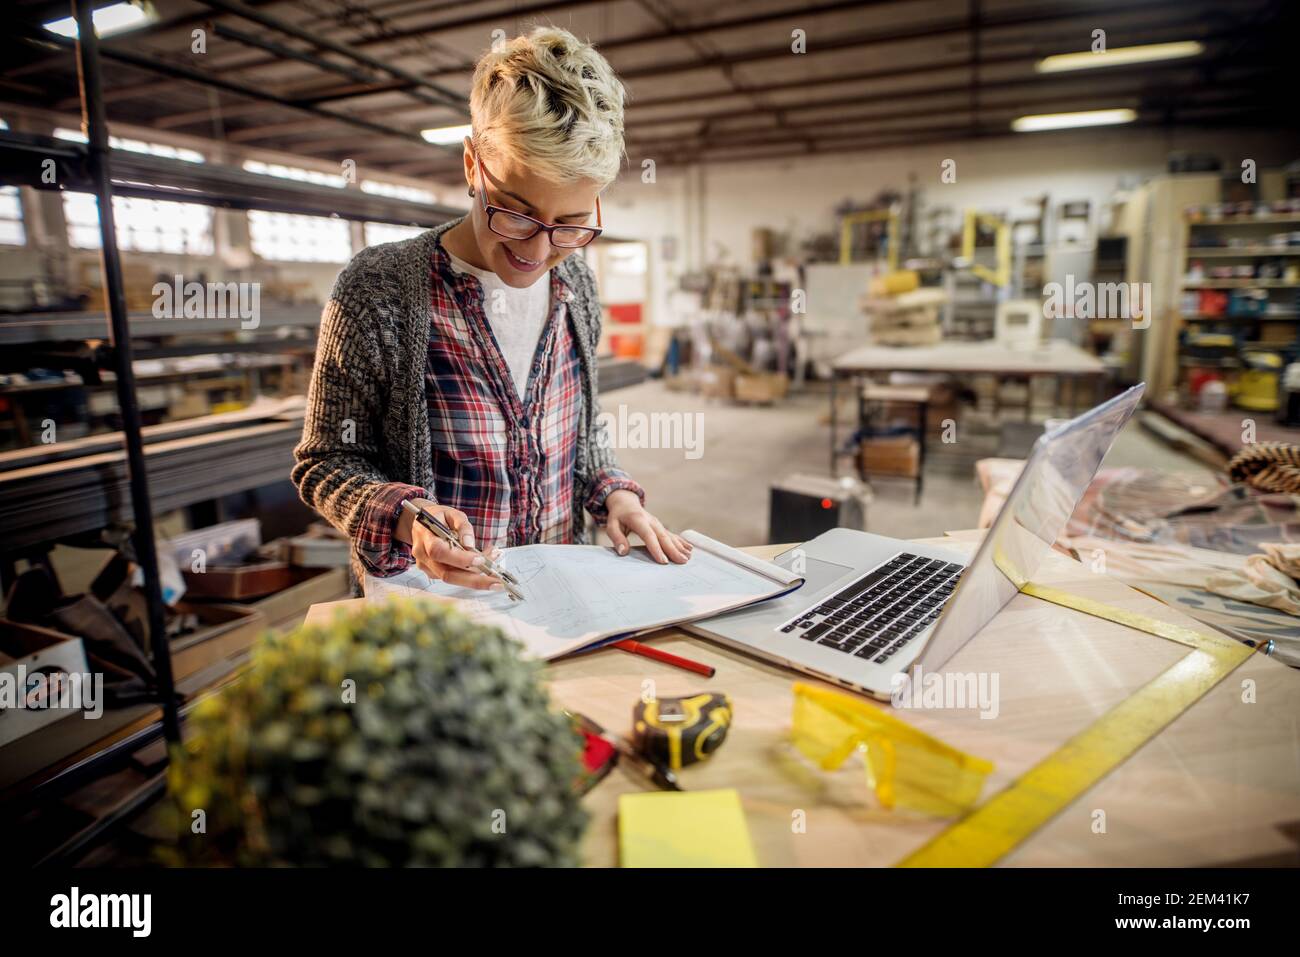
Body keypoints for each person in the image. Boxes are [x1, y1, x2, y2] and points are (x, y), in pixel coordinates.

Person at [293, 26, 690, 591]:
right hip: (434, 612)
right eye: (517, 213)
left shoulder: (575, 281)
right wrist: (409, 520)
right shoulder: (378, 289)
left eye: (570, 225)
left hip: (563, 599)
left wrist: (616, 493)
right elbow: (325, 462)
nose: (537, 251)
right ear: (472, 165)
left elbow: (581, 433)